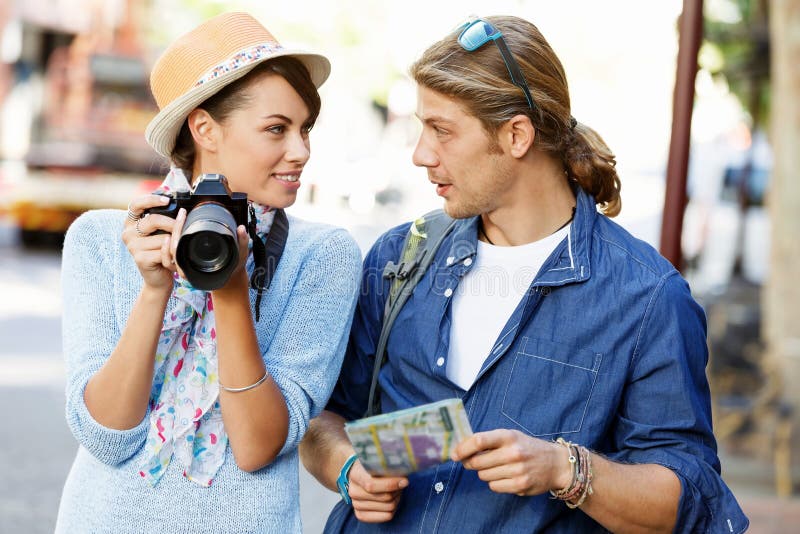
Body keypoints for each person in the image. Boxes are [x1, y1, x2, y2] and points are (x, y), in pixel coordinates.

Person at [300, 15, 748, 533]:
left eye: (442, 131)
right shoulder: (399, 257)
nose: (421, 154)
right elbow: (323, 420)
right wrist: (348, 468)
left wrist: (566, 469)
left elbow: (688, 503)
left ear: (516, 135)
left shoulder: (647, 298)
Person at [55, 12, 361, 533]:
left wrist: (231, 290)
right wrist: (154, 290)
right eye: (277, 129)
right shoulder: (103, 239)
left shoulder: (323, 254)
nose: (301, 151)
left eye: (306, 128)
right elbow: (107, 437)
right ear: (204, 129)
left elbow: (257, 445)